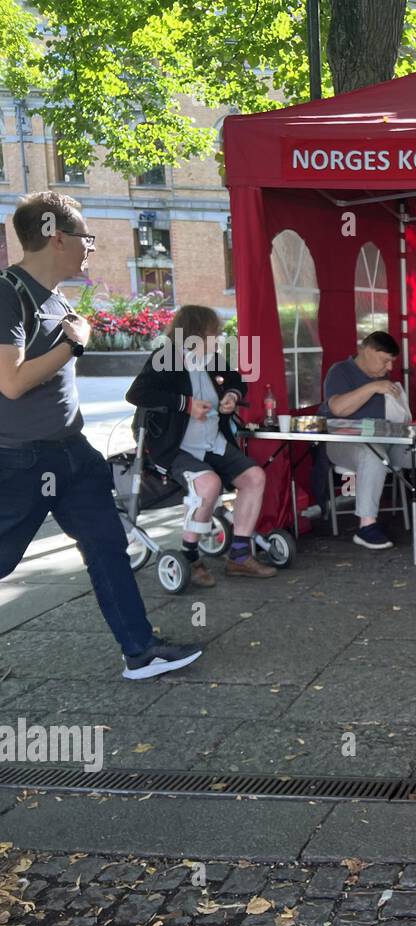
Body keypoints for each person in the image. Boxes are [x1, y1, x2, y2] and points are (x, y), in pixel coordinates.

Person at [0, 190, 201, 679]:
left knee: (108, 546)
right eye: (85, 236)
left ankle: (140, 651)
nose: (91, 246)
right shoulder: (8, 292)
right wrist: (73, 342)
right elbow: (11, 382)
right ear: (56, 236)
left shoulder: (54, 297)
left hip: (74, 454)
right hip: (22, 461)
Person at [127, 305, 276, 583]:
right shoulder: (167, 357)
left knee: (254, 477)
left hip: (211, 441)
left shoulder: (210, 358)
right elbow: (137, 393)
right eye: (214, 333)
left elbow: (236, 380)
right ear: (194, 334)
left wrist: (231, 395)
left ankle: (240, 556)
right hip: (176, 446)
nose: (218, 337)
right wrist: (186, 405)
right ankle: (191, 556)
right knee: (208, 484)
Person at [321, 331, 416, 549]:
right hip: (345, 444)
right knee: (373, 454)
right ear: (367, 351)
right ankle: (366, 525)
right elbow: (337, 407)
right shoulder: (340, 371)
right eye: (386, 360)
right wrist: (372, 387)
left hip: (386, 440)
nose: (389, 368)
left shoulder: (382, 377)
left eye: (391, 362)